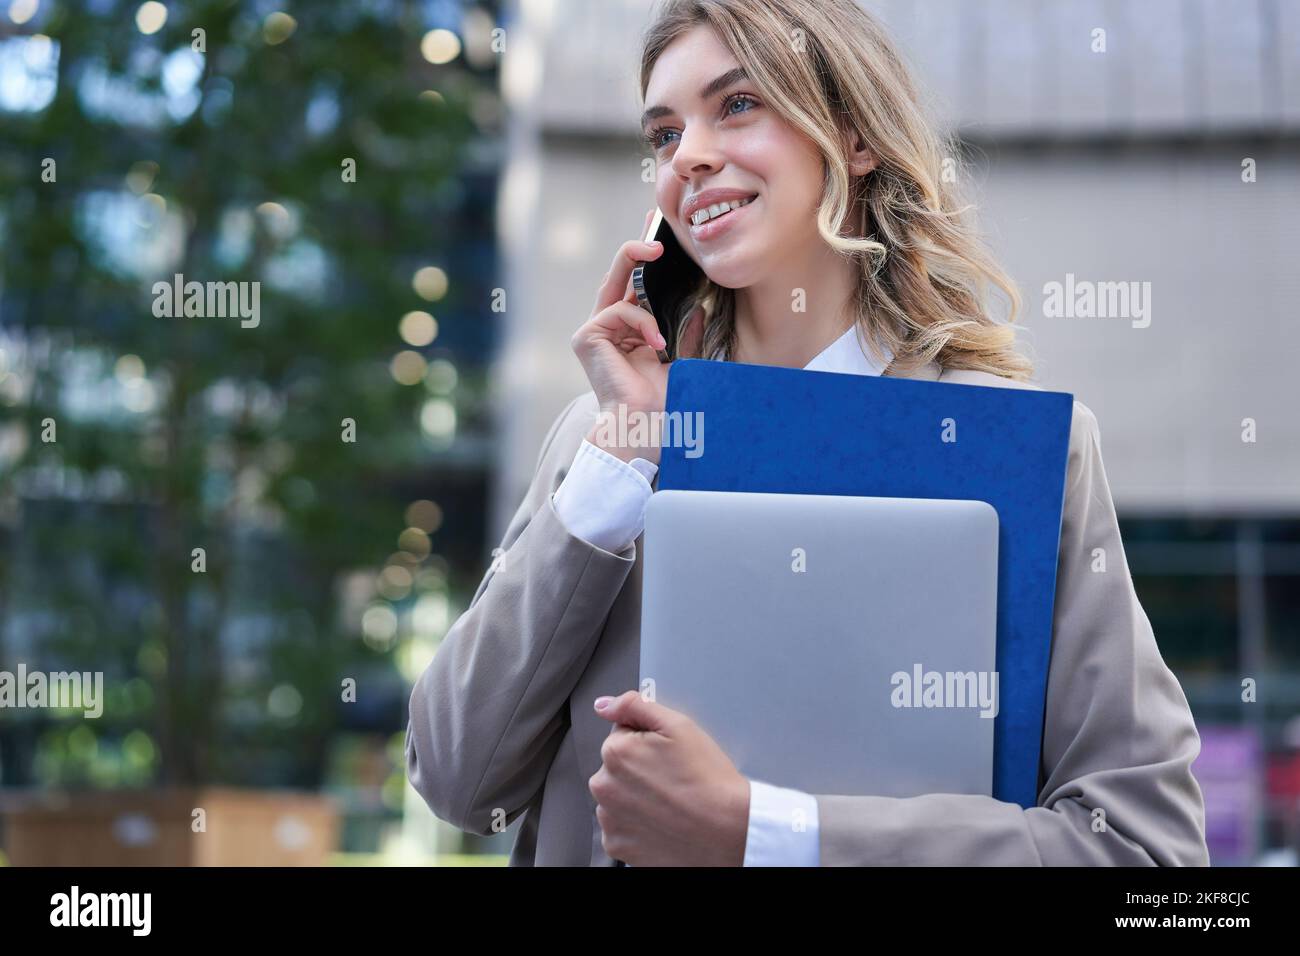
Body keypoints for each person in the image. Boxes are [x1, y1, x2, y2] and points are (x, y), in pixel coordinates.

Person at [405, 0, 1209, 866]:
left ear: (855, 138)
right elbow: (458, 780)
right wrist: (621, 463)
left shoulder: (1012, 449)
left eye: (738, 104)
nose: (690, 156)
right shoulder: (606, 435)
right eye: (665, 134)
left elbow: (1145, 851)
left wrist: (768, 835)